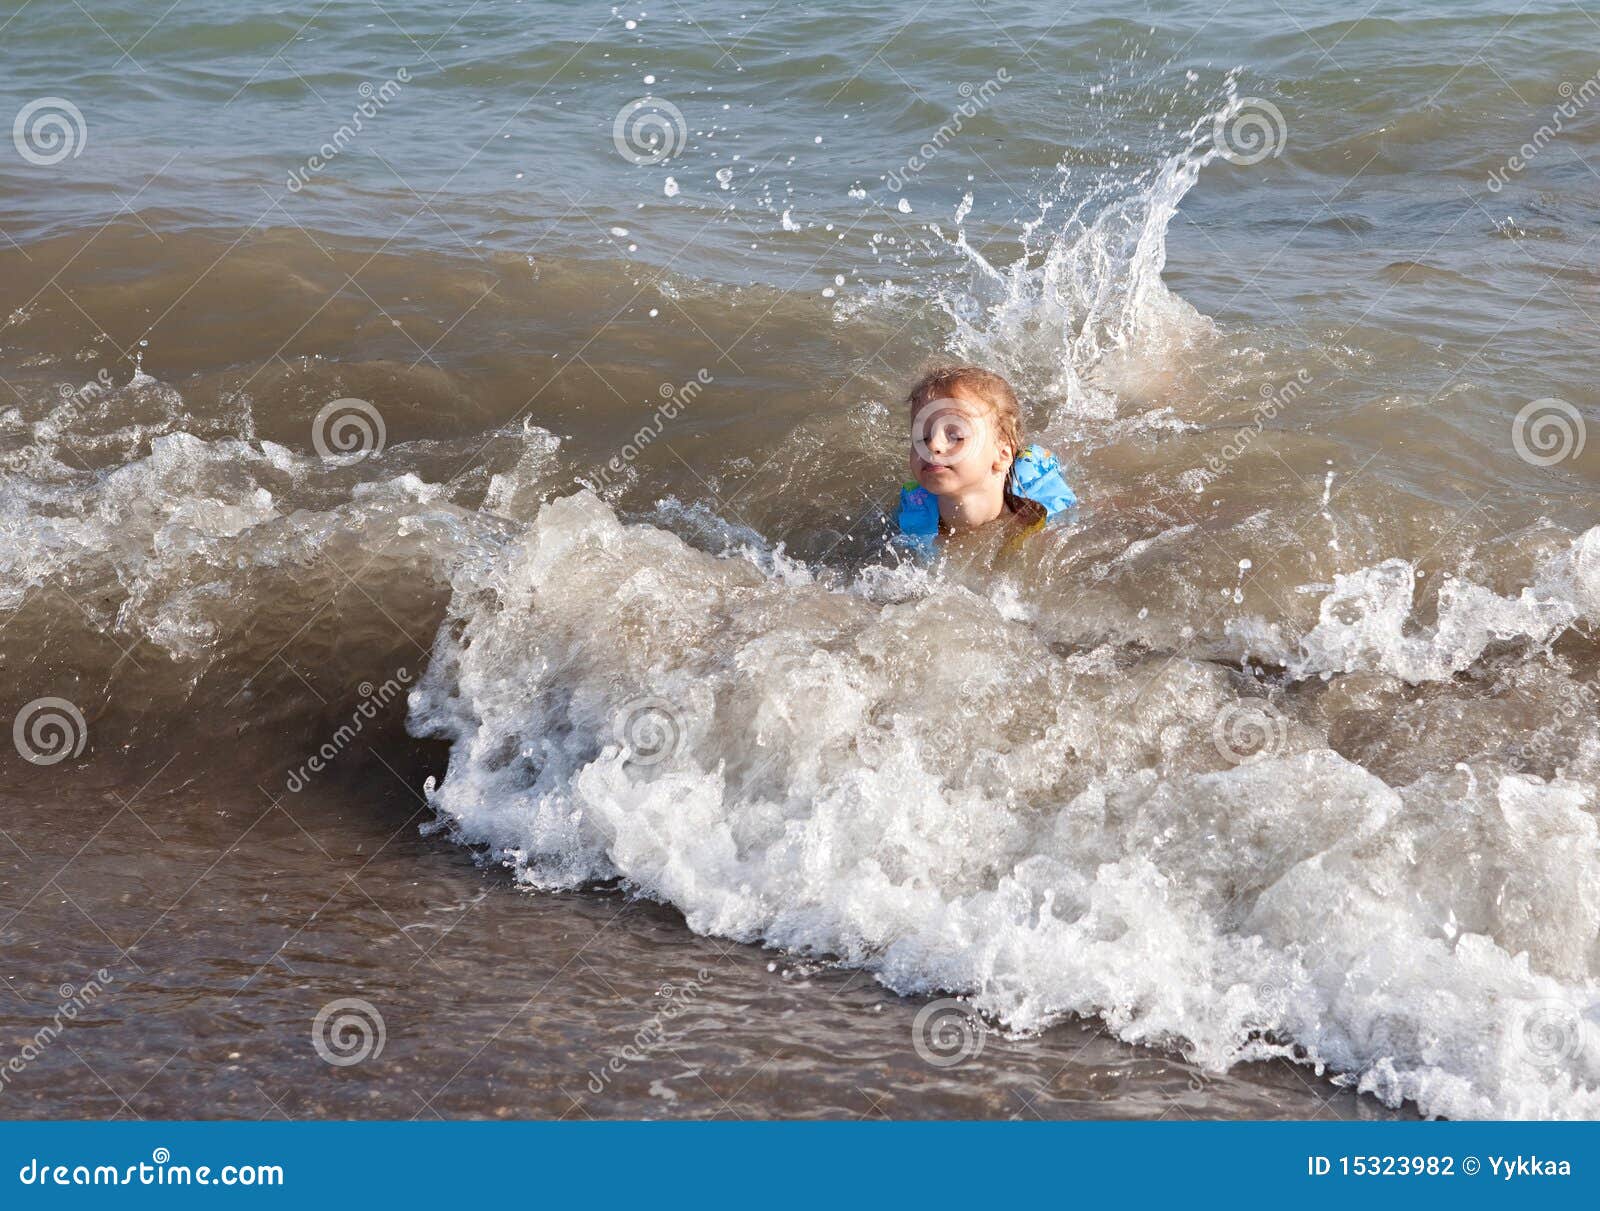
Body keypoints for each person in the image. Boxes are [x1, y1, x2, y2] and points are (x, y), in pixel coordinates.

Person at [896, 364, 1075, 555]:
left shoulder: (1045, 519)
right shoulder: (913, 514)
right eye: (922, 436)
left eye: (956, 436)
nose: (932, 446)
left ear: (1003, 455)